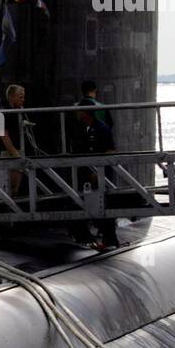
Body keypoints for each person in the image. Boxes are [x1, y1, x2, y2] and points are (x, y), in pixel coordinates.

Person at [70, 102, 120, 249]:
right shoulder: (79, 128)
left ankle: (110, 239)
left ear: (84, 112)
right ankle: (83, 236)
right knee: (78, 203)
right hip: (83, 174)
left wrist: (98, 172)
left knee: (104, 205)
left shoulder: (102, 128)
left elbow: (110, 152)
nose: (76, 113)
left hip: (99, 176)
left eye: (79, 111)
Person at [0, 84, 29, 197]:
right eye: (20, 97)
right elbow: (3, 134)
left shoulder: (15, 111)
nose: (23, 100)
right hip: (10, 152)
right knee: (12, 187)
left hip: (16, 150)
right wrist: (15, 154)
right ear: (11, 97)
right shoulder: (3, 112)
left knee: (15, 187)